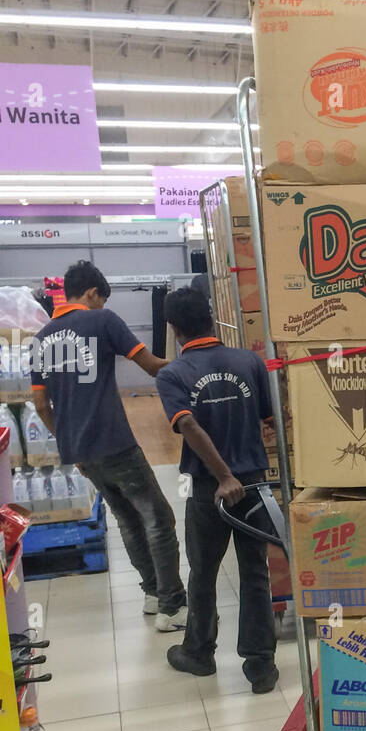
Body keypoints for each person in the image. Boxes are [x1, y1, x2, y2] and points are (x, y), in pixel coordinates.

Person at [29, 260, 187, 631]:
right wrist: (194, 362)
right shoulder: (102, 320)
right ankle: (172, 607)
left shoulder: (40, 338)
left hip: (80, 450)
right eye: (101, 298)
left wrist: (67, 441)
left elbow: (40, 405)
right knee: (158, 518)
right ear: (91, 293)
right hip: (114, 441)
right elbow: (152, 366)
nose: (102, 304)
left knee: (127, 519)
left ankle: (152, 593)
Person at [156, 287, 278, 693]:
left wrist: (224, 477)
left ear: (174, 328)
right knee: (255, 571)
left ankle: (199, 653)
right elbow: (270, 417)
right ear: (210, 317)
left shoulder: (173, 374)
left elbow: (188, 425)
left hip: (211, 487)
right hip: (254, 481)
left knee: (204, 571)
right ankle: (261, 667)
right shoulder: (249, 361)